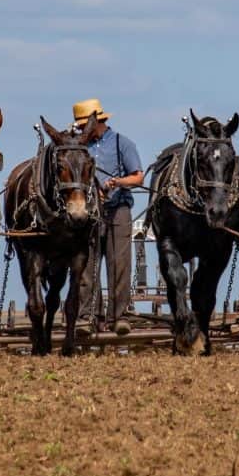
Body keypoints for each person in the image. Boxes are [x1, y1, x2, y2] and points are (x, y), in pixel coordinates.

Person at [73, 99, 144, 336]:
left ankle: (119, 316)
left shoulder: (122, 143)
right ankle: (88, 316)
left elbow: (138, 177)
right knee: (86, 265)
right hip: (90, 213)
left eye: (84, 126)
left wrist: (117, 182)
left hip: (118, 210)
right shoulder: (81, 147)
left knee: (119, 265)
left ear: (97, 122)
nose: (81, 130)